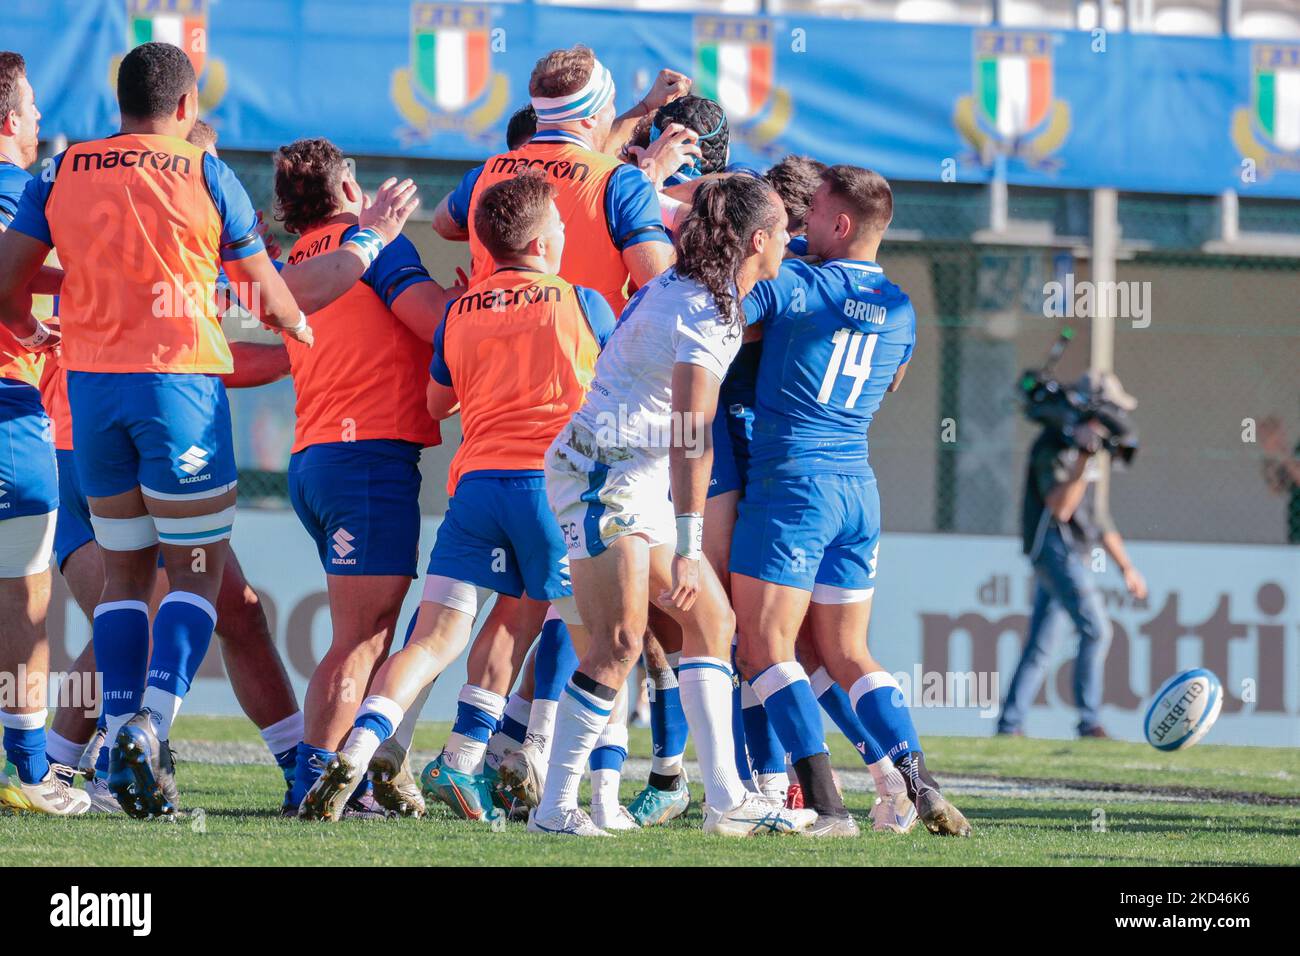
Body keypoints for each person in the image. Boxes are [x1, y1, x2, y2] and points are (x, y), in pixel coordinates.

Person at [0, 42, 310, 819]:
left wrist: (21, 326)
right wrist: (297, 325)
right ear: (186, 107)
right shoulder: (206, 171)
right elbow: (264, 296)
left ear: (121, 104)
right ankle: (148, 729)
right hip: (178, 391)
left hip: (90, 399)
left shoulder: (63, 171)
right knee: (198, 570)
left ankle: (111, 752)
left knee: (127, 578)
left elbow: (7, 276)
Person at [299, 172, 619, 825]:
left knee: (433, 638)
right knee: (601, 646)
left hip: (475, 490)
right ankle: (564, 802)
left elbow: (437, 402)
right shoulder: (584, 302)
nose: (564, 232)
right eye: (559, 224)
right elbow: (619, 392)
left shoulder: (463, 310)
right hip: (551, 493)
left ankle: (361, 750)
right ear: (537, 241)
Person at [534, 175, 814, 837]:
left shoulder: (699, 291)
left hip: (626, 473)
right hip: (601, 475)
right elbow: (693, 437)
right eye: (782, 230)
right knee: (620, 643)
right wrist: (690, 546)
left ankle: (728, 801)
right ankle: (552, 812)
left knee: (711, 622)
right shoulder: (707, 311)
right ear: (756, 241)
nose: (790, 241)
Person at [732, 164, 970, 837]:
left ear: (839, 224)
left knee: (761, 646)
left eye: (811, 215)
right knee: (848, 653)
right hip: (856, 489)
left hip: (791, 486)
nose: (798, 226)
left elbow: (720, 312)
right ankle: (915, 781)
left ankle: (825, 807)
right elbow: (891, 380)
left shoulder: (795, 284)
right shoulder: (901, 306)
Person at [265, 137, 459, 815]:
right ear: (348, 189)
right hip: (366, 460)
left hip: (320, 459)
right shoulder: (367, 243)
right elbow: (436, 325)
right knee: (363, 637)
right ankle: (315, 783)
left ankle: (330, 775)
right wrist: (482, 305)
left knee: (363, 632)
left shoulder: (300, 256)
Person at [0, 49, 89, 816]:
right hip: (8, 413)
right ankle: (31, 773)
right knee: (22, 600)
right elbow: (51, 272)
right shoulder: (31, 197)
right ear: (8, 122)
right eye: (29, 112)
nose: (35, 122)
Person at [432, 44, 674, 316]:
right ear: (592, 117)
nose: (612, 115)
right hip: (582, 351)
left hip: (487, 344)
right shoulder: (623, 182)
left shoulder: (486, 173)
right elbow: (659, 281)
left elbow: (443, 224)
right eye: (610, 105)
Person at [997, 371, 1148, 739]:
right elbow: (1061, 508)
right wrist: (1082, 456)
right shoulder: (1053, 445)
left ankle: (1009, 725)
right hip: (1053, 548)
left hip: (1072, 551)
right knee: (1097, 629)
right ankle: (1089, 721)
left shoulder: (1083, 447)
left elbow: (1096, 517)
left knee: (1041, 645)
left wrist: (1127, 567)